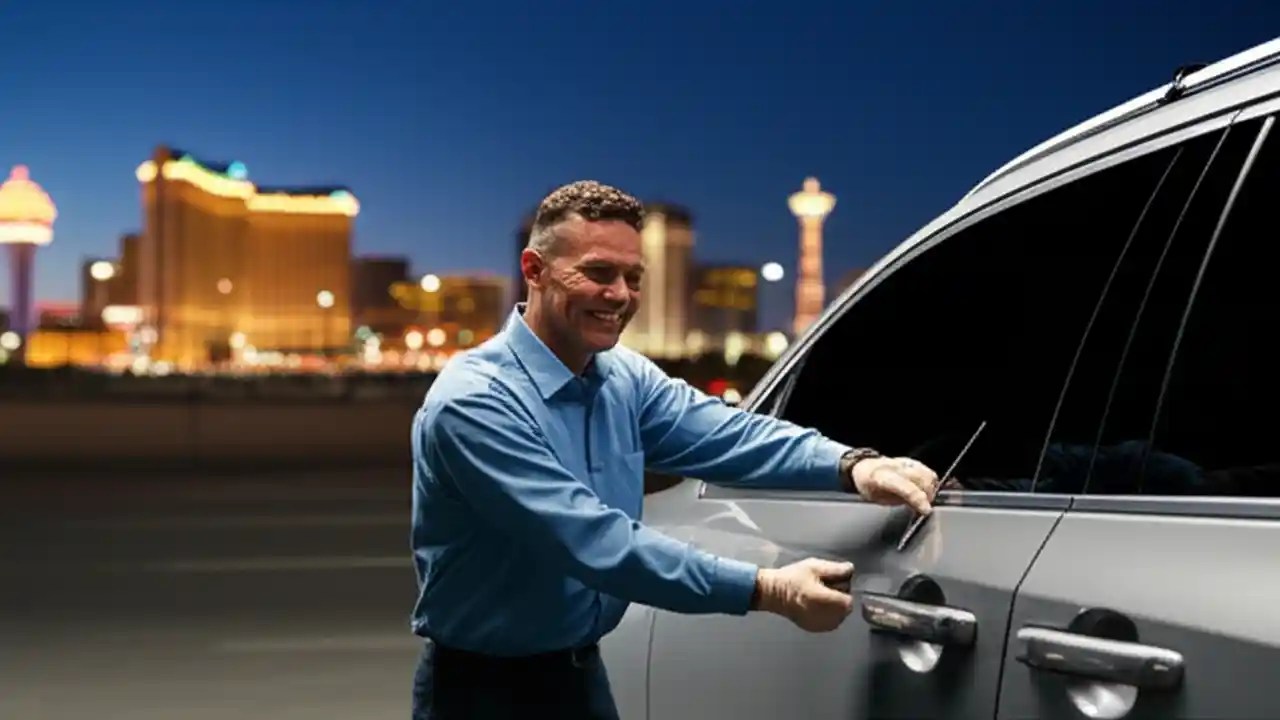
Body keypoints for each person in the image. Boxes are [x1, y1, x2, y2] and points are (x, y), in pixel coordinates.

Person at [409, 180, 941, 719]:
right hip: (481, 692)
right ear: (534, 269)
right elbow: (595, 542)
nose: (619, 294)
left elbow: (726, 433)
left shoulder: (622, 377)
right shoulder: (474, 402)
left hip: (579, 676)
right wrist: (767, 589)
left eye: (632, 278)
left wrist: (852, 465)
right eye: (597, 273)